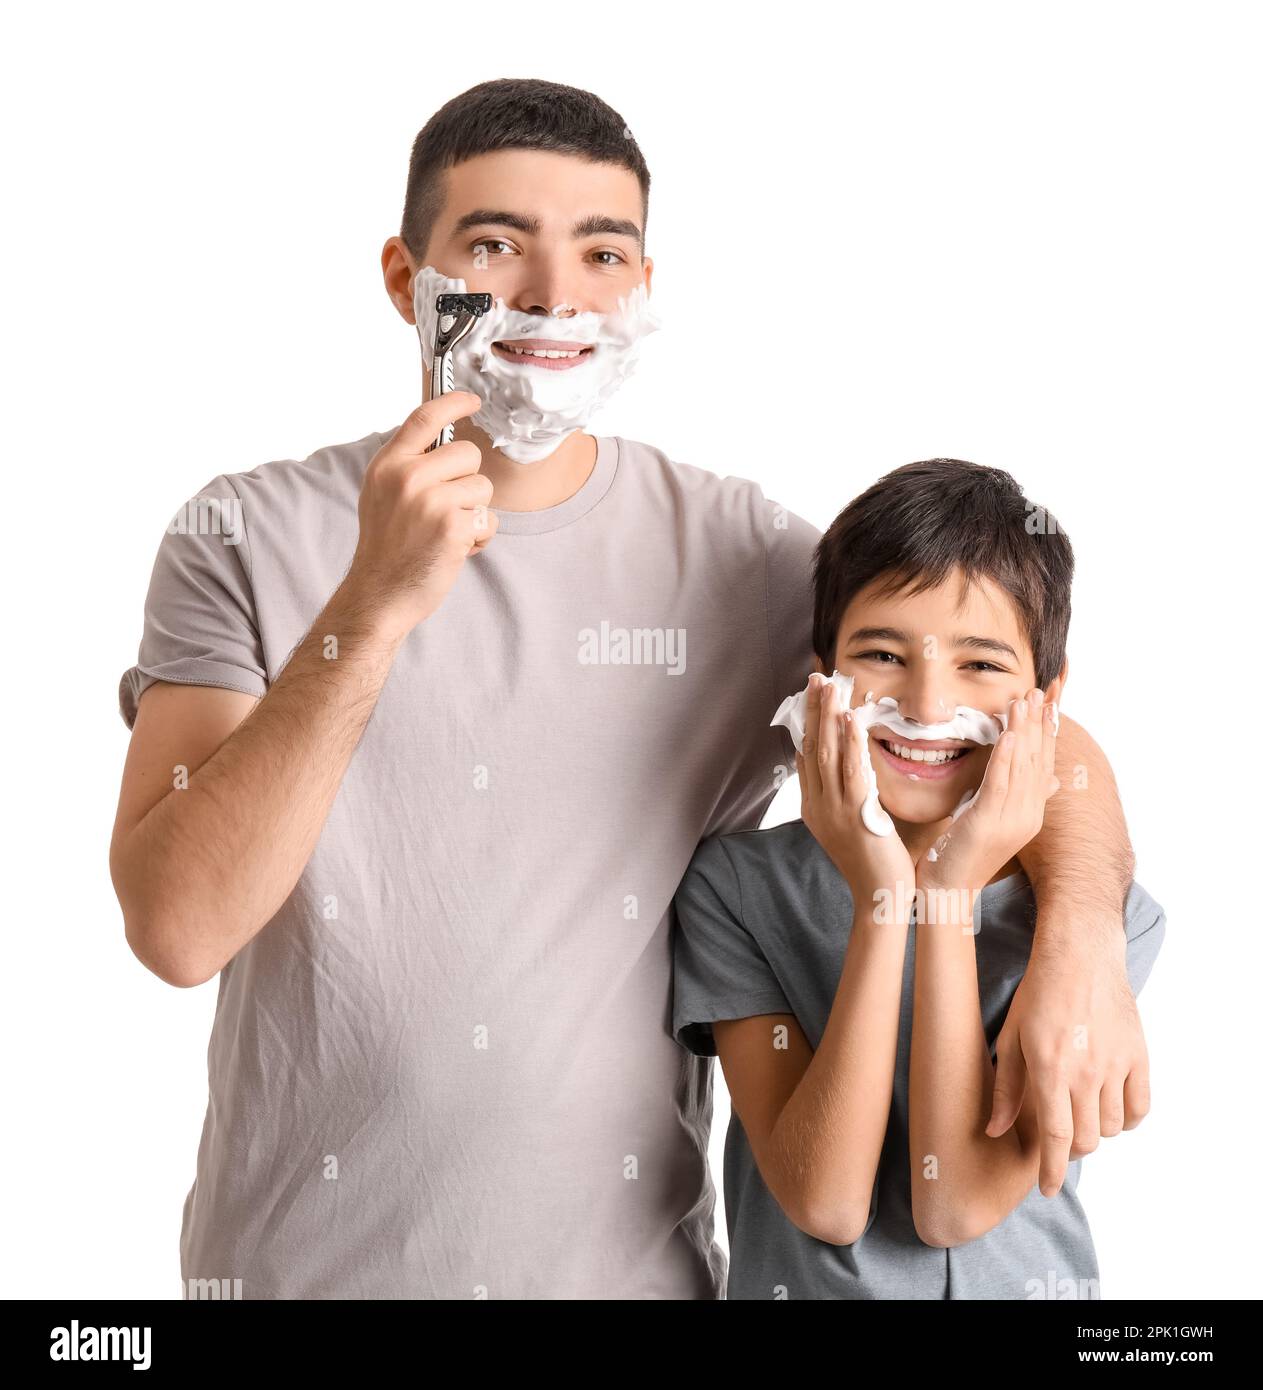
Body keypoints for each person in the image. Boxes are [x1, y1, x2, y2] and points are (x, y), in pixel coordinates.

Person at [110, 78, 1149, 1299]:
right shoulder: (243, 534)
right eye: (496, 245)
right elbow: (177, 928)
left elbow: (1011, 724)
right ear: (407, 280)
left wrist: (1081, 939)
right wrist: (374, 605)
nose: (554, 296)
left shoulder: (748, 562)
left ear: (645, 288)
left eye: (604, 252)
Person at [671, 459, 1165, 1299]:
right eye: (881, 654)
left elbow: (954, 1206)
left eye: (980, 665)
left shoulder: (1101, 921)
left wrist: (944, 893)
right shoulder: (733, 889)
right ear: (820, 673)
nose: (928, 706)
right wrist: (882, 899)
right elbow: (823, 1202)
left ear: (1046, 697)